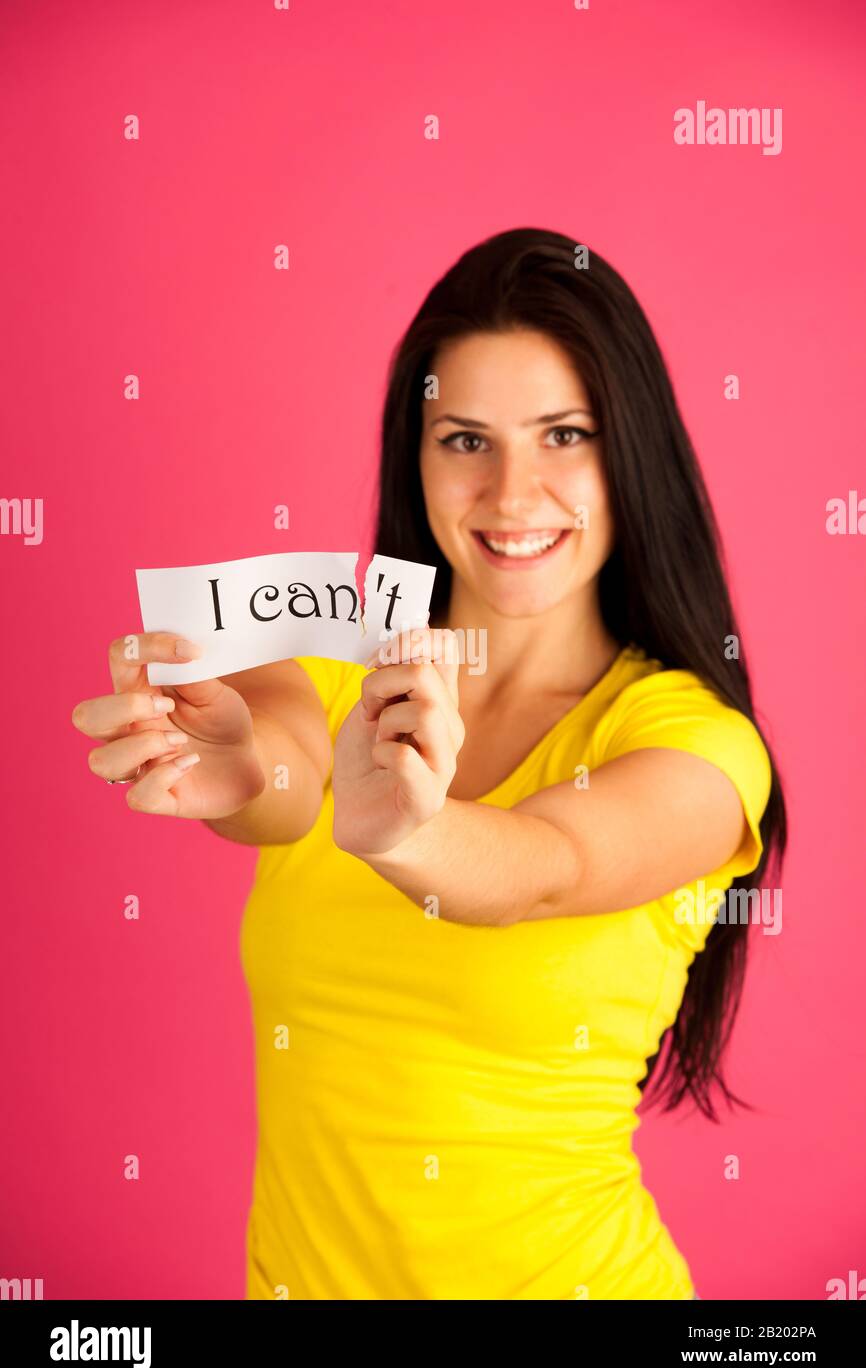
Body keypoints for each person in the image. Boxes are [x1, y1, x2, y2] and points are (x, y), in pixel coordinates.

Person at [71, 228, 786, 1299]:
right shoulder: (325, 666)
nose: (510, 492)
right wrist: (230, 767)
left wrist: (406, 826)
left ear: (630, 448)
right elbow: (278, 770)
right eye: (464, 440)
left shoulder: (689, 745)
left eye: (562, 435)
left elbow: (538, 864)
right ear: (415, 454)